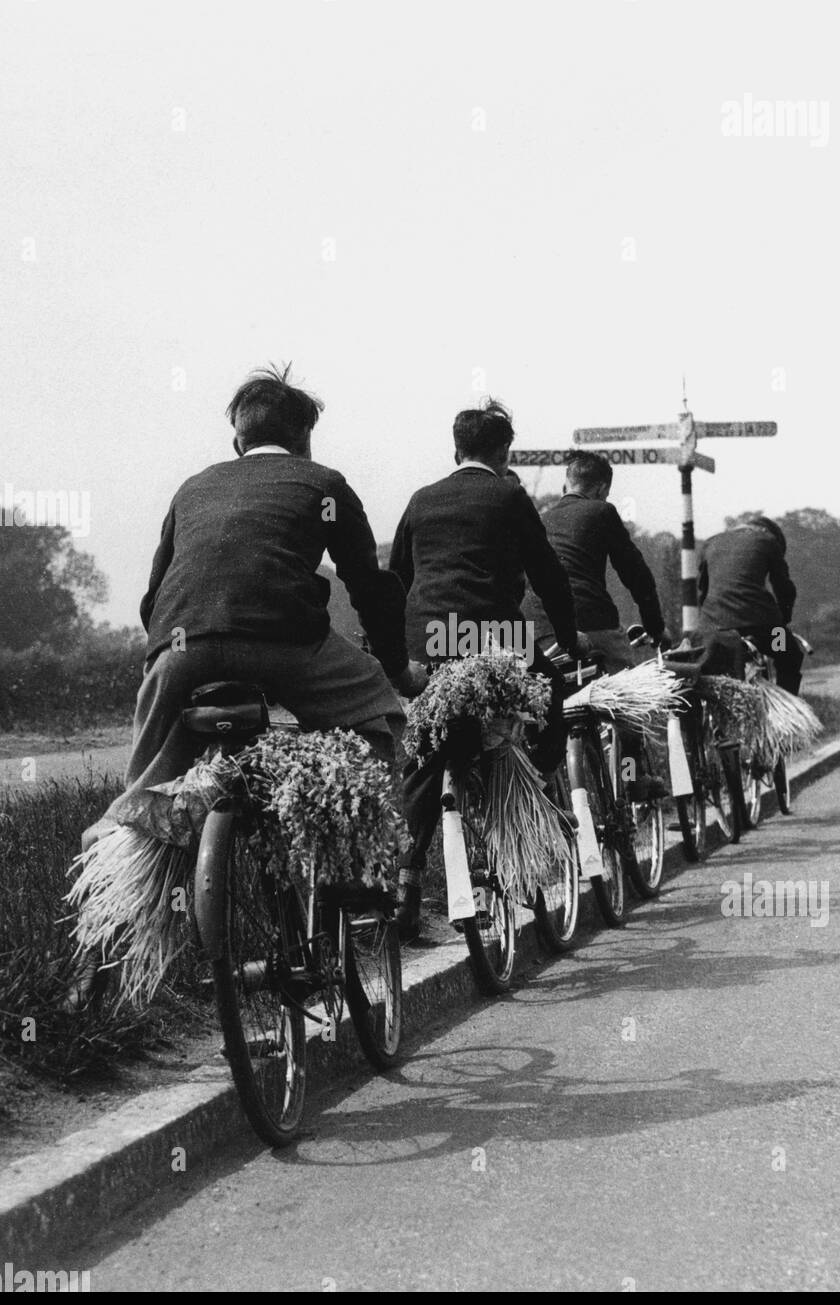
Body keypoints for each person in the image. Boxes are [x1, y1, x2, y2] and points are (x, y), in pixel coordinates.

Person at [104, 363, 424, 828]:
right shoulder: (324, 484)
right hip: (285, 642)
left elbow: (154, 598)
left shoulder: (192, 488)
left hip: (181, 647)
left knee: (145, 790)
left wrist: (161, 664)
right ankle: (355, 861)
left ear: (238, 441)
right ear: (305, 440)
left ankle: (122, 849)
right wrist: (397, 669)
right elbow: (369, 589)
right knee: (377, 719)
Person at [389, 398, 590, 941]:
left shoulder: (421, 499)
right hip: (498, 639)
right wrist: (567, 643)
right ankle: (540, 792)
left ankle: (405, 888)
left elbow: (397, 579)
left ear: (455, 449)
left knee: (425, 756)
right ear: (504, 453)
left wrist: (397, 647)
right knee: (549, 696)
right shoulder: (509, 495)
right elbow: (548, 575)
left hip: (429, 642)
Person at [522, 451, 671, 672]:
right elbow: (637, 576)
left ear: (567, 484)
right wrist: (656, 627)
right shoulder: (602, 510)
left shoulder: (540, 519)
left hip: (540, 628)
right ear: (602, 489)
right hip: (592, 622)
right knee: (628, 690)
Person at [697, 515, 803, 693]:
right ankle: (787, 707)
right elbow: (784, 589)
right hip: (763, 627)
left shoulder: (710, 543)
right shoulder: (768, 540)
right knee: (790, 656)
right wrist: (783, 621)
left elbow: (703, 591)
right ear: (767, 531)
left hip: (714, 628)